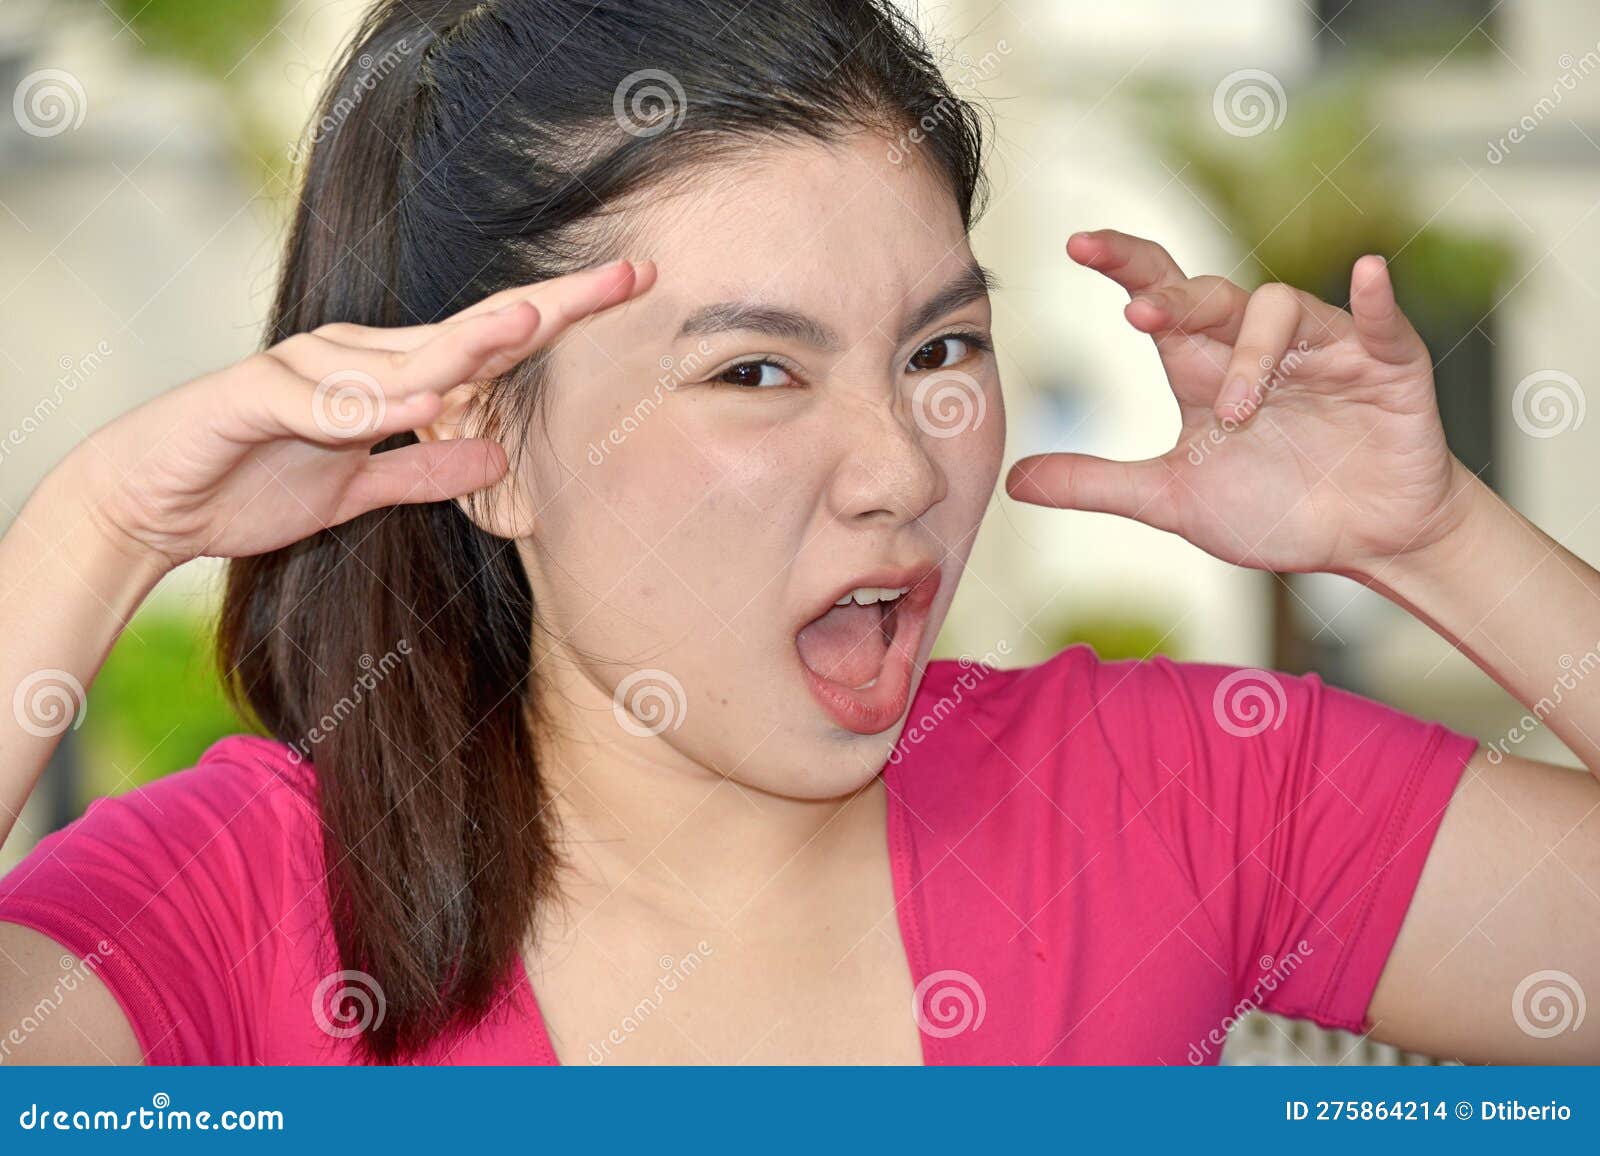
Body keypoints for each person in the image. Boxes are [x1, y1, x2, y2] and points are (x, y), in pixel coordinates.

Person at [0, 0, 1595, 1066]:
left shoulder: (1176, 793)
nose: (897, 466)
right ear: (481, 441)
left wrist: (1426, 534)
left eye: (938, 351)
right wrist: (102, 523)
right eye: (756, 370)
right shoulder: (249, 904)